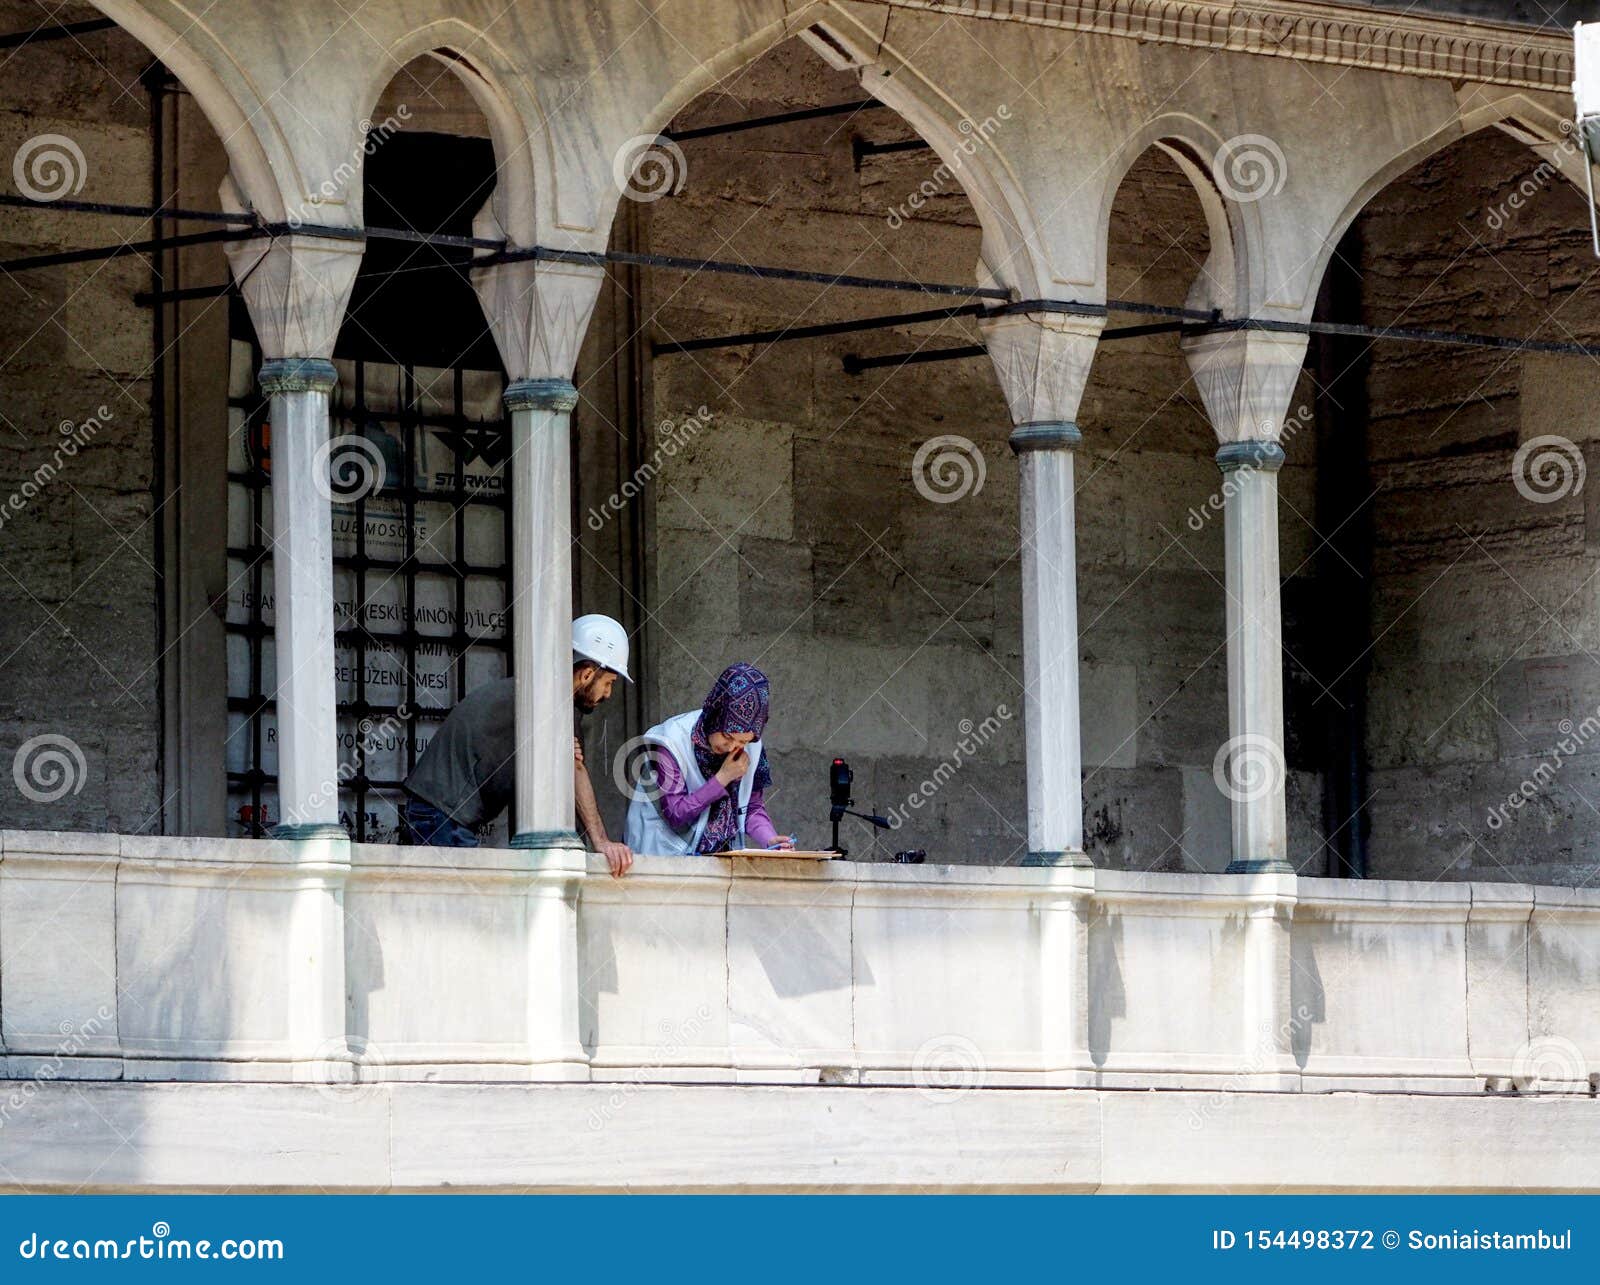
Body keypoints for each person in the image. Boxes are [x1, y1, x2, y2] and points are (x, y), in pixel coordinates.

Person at [400, 615, 635, 876]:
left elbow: (567, 765)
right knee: (461, 909)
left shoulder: (543, 694)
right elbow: (574, 771)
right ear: (588, 674)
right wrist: (601, 842)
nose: (608, 694)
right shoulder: (548, 700)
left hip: (440, 812)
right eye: (608, 683)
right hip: (440, 815)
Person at [624, 662, 794, 856]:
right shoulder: (671, 741)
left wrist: (770, 840)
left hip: (715, 861)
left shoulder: (751, 745)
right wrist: (723, 778)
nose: (732, 748)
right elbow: (675, 813)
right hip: (659, 856)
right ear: (715, 717)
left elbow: (751, 806)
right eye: (728, 737)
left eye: (742, 742)